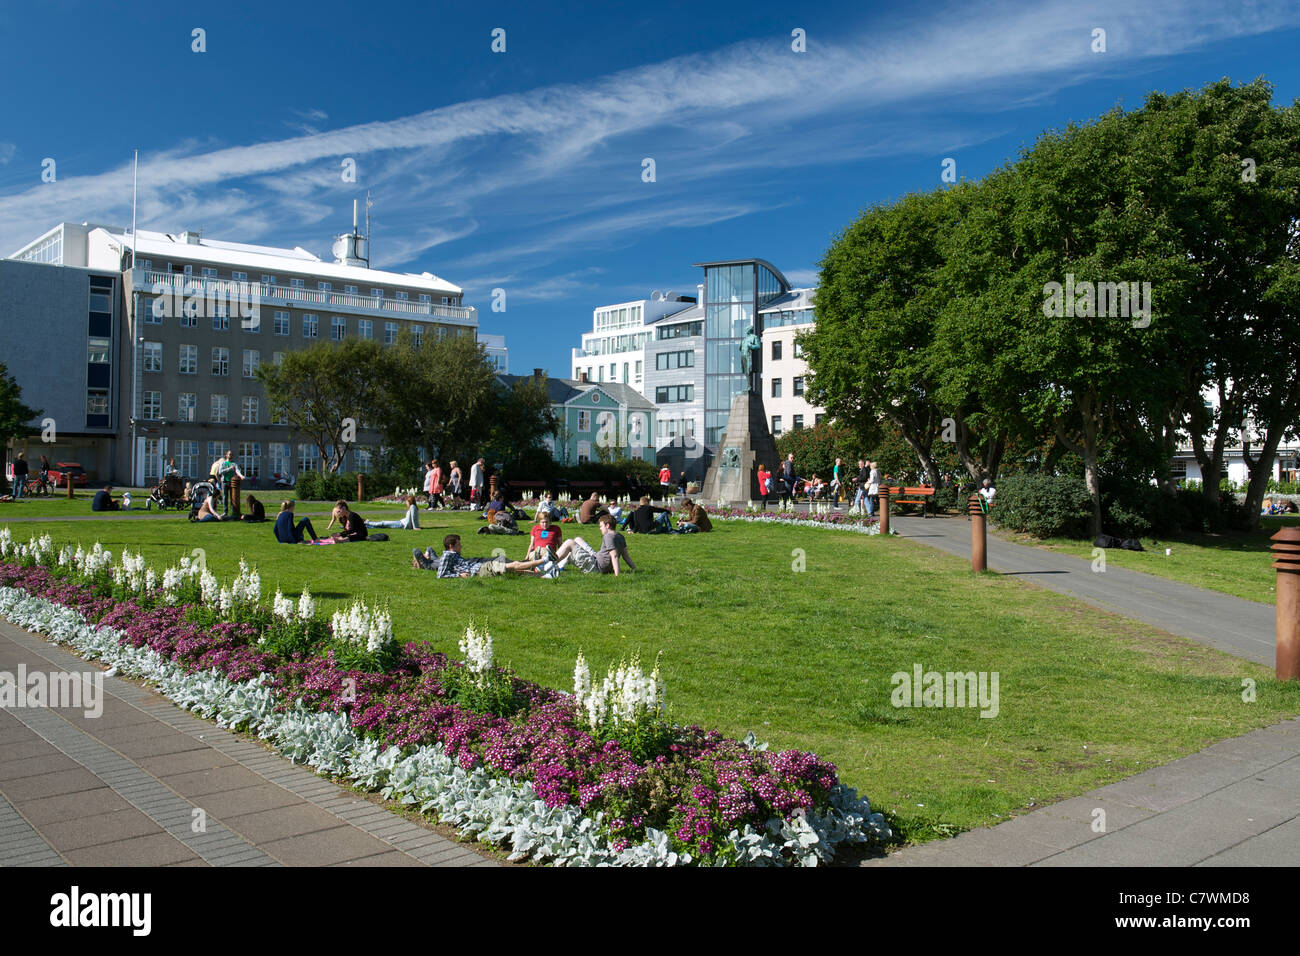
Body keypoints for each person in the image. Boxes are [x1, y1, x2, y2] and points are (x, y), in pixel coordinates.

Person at [415, 533, 552, 577]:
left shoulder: (452, 555)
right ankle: (545, 560)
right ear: (451, 546)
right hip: (480, 570)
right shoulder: (447, 556)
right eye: (458, 544)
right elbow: (441, 575)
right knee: (514, 566)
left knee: (515, 571)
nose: (461, 546)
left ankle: (542, 574)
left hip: (480, 567)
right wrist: (459, 575)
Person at [552, 514, 636, 575]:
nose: (600, 529)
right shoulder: (620, 536)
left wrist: (617, 574)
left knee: (569, 542)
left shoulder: (608, 536)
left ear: (607, 525)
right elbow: (626, 556)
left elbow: (614, 556)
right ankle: (559, 565)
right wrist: (634, 569)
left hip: (595, 566)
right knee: (578, 539)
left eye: (601, 526)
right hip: (595, 558)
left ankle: (549, 564)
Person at [218, 451, 244, 517]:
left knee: (233, 497)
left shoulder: (234, 464)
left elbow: (237, 471)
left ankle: (233, 512)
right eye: (229, 454)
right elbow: (220, 472)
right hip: (224, 482)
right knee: (225, 497)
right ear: (226, 455)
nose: (230, 455)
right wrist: (229, 469)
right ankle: (225, 512)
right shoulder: (223, 463)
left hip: (232, 482)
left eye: (231, 454)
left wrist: (241, 476)